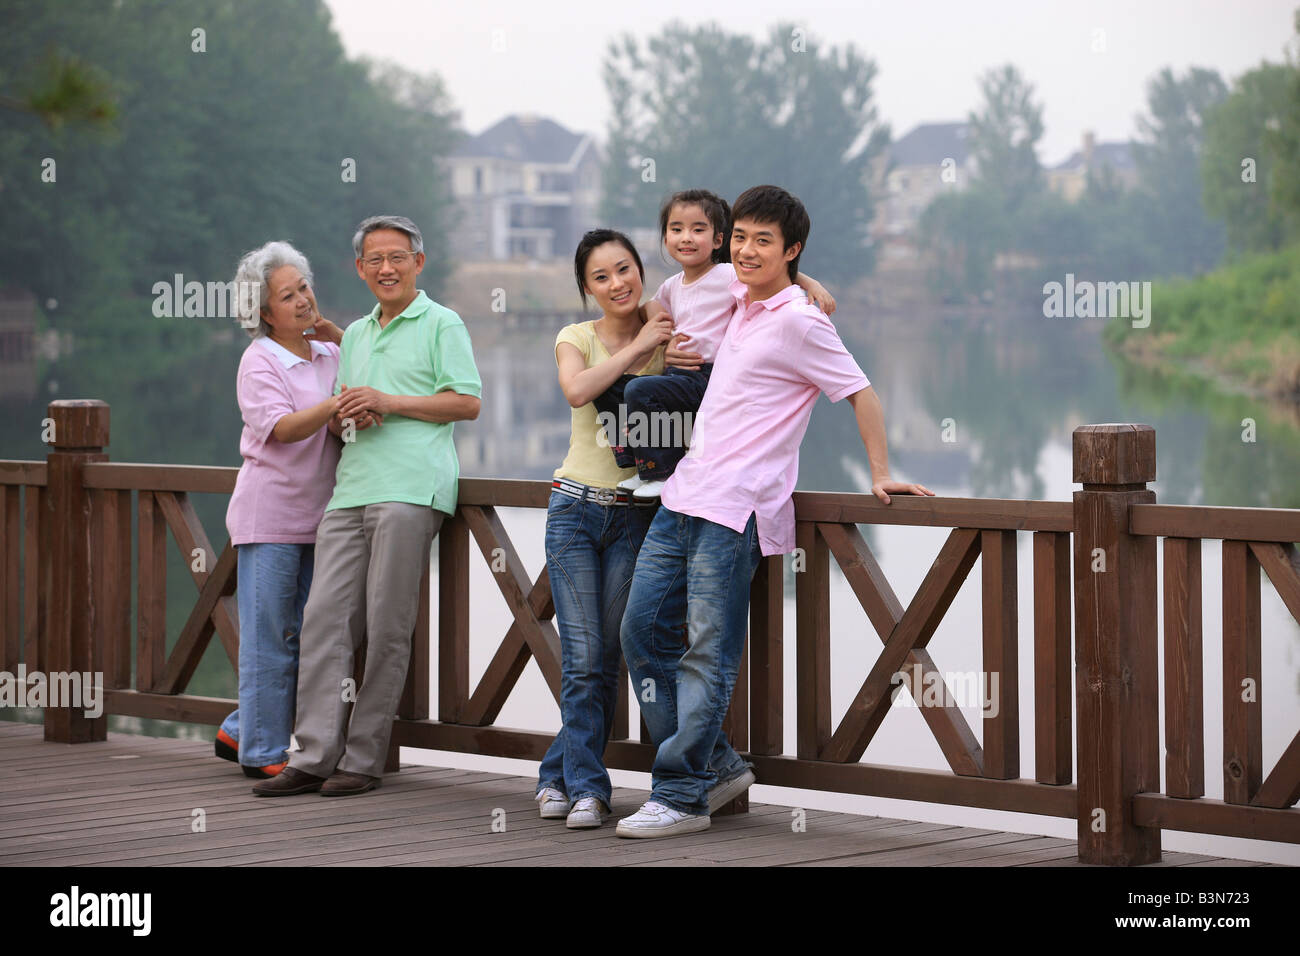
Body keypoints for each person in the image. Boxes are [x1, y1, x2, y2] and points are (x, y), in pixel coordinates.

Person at [617, 185, 935, 838]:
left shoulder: (802, 322)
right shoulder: (739, 298)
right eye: (740, 237)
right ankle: (720, 765)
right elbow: (729, 275)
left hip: (735, 510)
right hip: (682, 498)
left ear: (791, 250)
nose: (745, 250)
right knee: (641, 633)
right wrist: (795, 270)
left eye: (765, 241)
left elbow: (862, 393)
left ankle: (681, 796)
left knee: (706, 652)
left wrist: (879, 471)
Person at [253, 215, 481, 798]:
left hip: (410, 488)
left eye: (398, 257)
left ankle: (363, 757)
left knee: (386, 627)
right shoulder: (351, 336)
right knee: (322, 623)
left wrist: (391, 402)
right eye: (374, 259)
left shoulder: (442, 321)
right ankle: (310, 756)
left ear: (417, 263)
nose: (387, 268)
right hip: (349, 490)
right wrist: (356, 411)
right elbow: (343, 412)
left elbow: (466, 403)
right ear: (359, 269)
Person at [215, 240, 377, 778]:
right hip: (270, 517)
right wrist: (334, 404)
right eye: (288, 296)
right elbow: (280, 428)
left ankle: (241, 726)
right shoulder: (259, 359)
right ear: (264, 313)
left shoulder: (332, 352)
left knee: (316, 638)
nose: (303, 300)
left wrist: (350, 401)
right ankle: (260, 752)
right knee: (270, 638)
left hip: (327, 518)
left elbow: (344, 418)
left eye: (304, 287)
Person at [532, 229, 669, 830]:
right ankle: (590, 789)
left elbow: (734, 290)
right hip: (574, 513)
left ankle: (553, 774)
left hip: (634, 516)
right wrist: (639, 346)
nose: (618, 283)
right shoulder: (577, 338)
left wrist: (807, 283)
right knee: (585, 658)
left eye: (625, 269)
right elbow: (577, 390)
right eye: (602, 277)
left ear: (641, 269)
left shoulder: (669, 327)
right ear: (587, 288)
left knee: (607, 657)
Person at [597, 188, 835, 500]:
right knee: (611, 387)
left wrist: (808, 282)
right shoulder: (672, 285)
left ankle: (662, 472)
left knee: (639, 391)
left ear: (718, 240)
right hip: (678, 376)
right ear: (665, 238)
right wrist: (665, 339)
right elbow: (648, 309)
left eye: (698, 230)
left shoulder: (726, 275)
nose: (687, 238)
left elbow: (768, 271)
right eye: (676, 229)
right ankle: (637, 463)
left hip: (708, 376)